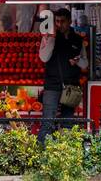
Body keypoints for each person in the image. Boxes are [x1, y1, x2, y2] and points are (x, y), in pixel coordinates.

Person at [38, 8, 88, 146]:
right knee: (48, 120)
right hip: (52, 85)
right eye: (57, 21)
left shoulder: (77, 40)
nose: (59, 24)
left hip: (71, 86)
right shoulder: (48, 37)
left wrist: (78, 61)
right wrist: (51, 39)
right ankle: (42, 151)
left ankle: (65, 153)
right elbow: (43, 57)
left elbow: (85, 64)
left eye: (62, 21)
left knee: (67, 122)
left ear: (70, 21)